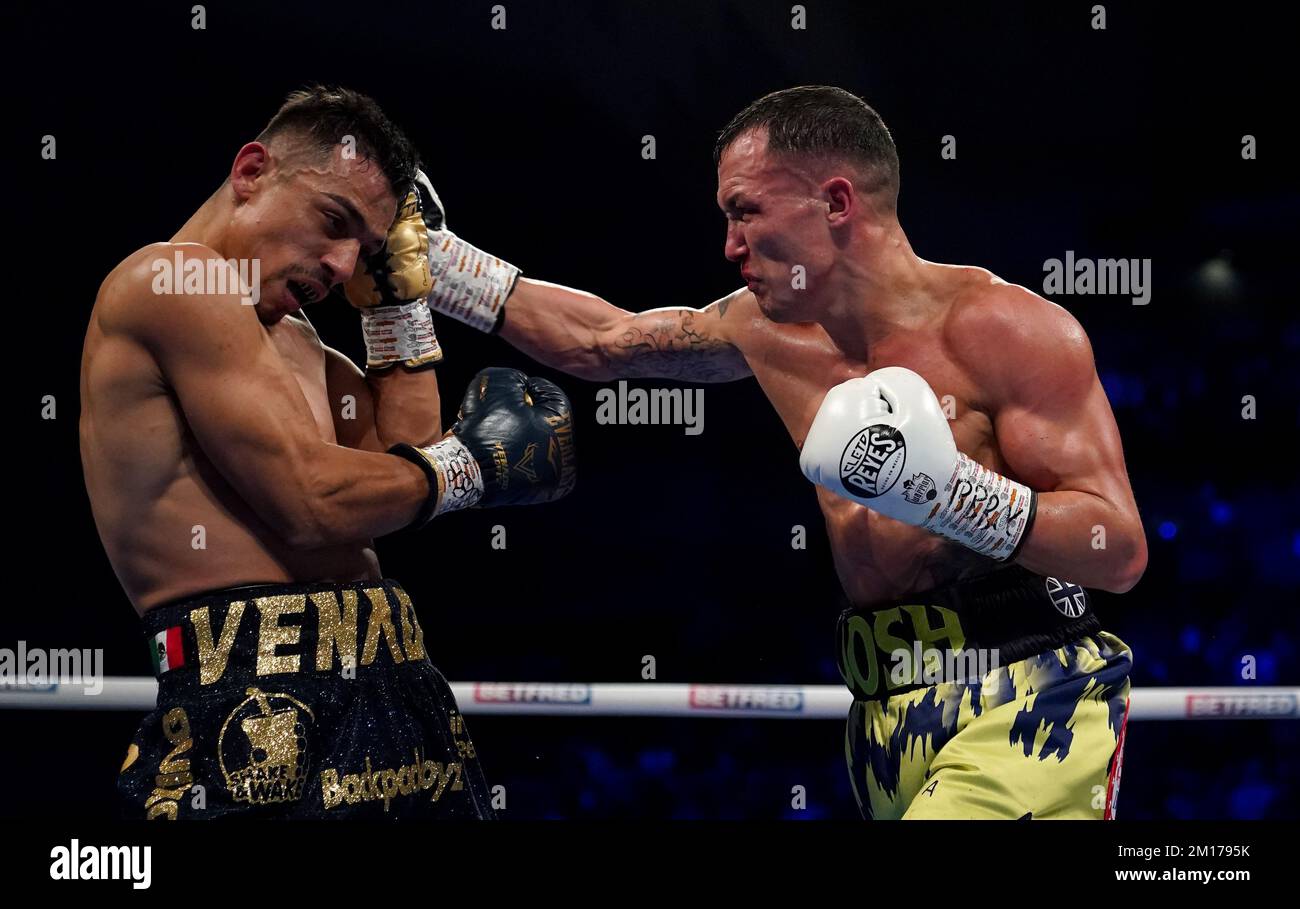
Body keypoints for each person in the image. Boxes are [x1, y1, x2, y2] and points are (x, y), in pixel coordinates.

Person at [410, 85, 1146, 819]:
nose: (729, 246)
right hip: (883, 711)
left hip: (1026, 688)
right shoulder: (766, 332)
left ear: (835, 202)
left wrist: (955, 493)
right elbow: (605, 341)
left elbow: (1117, 550)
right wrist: (434, 262)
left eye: (744, 211)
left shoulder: (1006, 329)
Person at [79, 86, 575, 819]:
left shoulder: (299, 340)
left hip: (393, 683)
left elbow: (398, 467)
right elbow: (313, 503)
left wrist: (398, 306)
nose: (344, 265)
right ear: (252, 171)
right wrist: (473, 467)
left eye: (369, 251)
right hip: (252, 692)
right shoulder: (171, 280)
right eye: (334, 222)